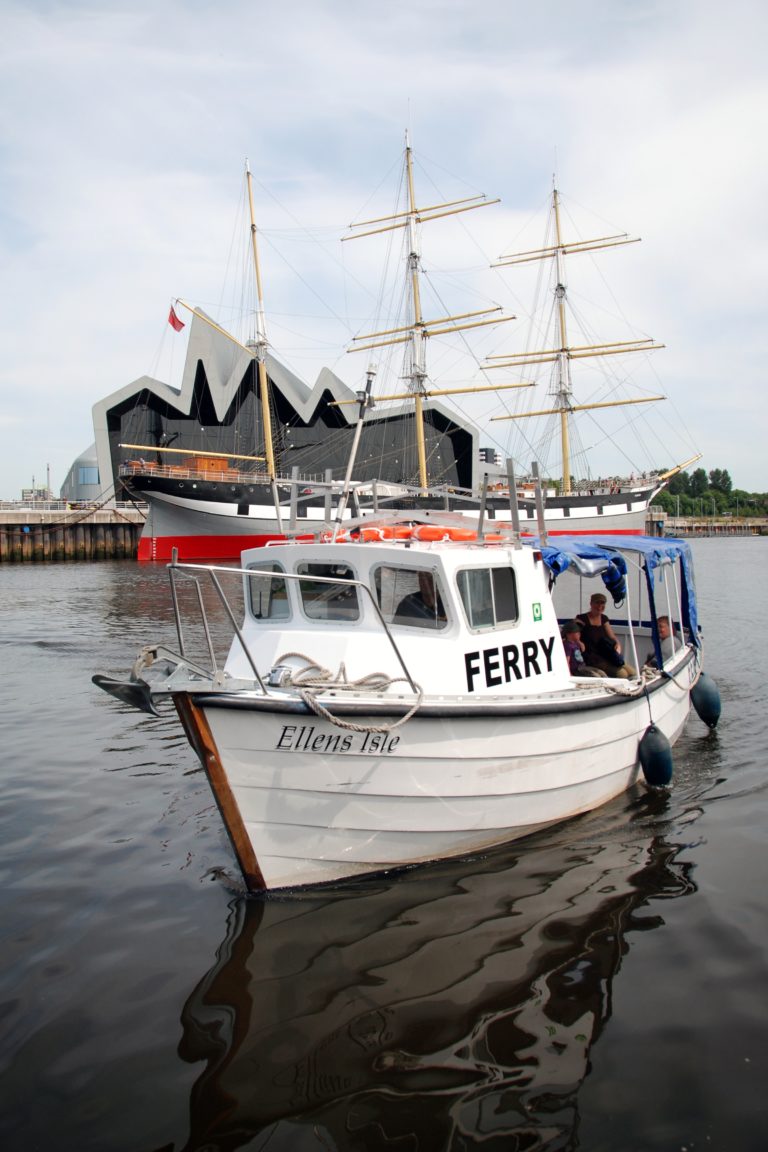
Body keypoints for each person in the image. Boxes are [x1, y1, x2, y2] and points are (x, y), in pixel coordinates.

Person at [576, 592, 636, 679]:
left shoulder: (604, 618)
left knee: (632, 672)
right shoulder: (582, 618)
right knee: (623, 674)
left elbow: (612, 636)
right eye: (597, 603)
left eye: (602, 603)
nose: (600, 606)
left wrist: (617, 644)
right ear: (591, 604)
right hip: (593, 657)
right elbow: (571, 632)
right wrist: (579, 642)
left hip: (607, 654)